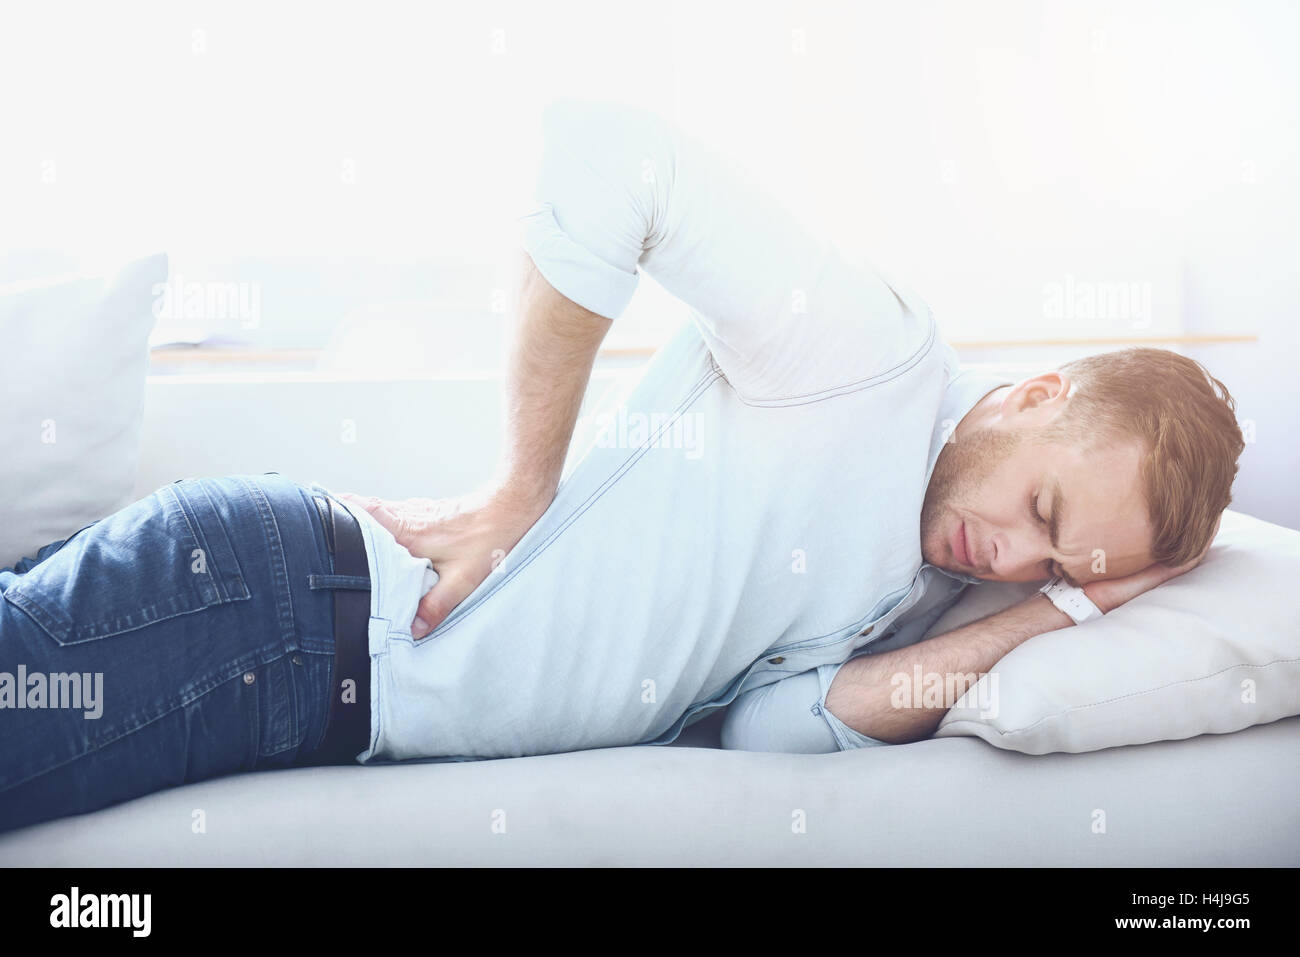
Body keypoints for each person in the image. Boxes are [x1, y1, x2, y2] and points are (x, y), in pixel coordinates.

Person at [0, 100, 1243, 833]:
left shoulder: (928, 583)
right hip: (274, 618)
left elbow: (770, 737)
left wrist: (1038, 617)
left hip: (293, 663)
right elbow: (611, 153)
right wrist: (520, 488)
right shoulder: (868, 356)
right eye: (1039, 511)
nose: (1009, 552)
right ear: (1035, 395)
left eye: (1054, 562)